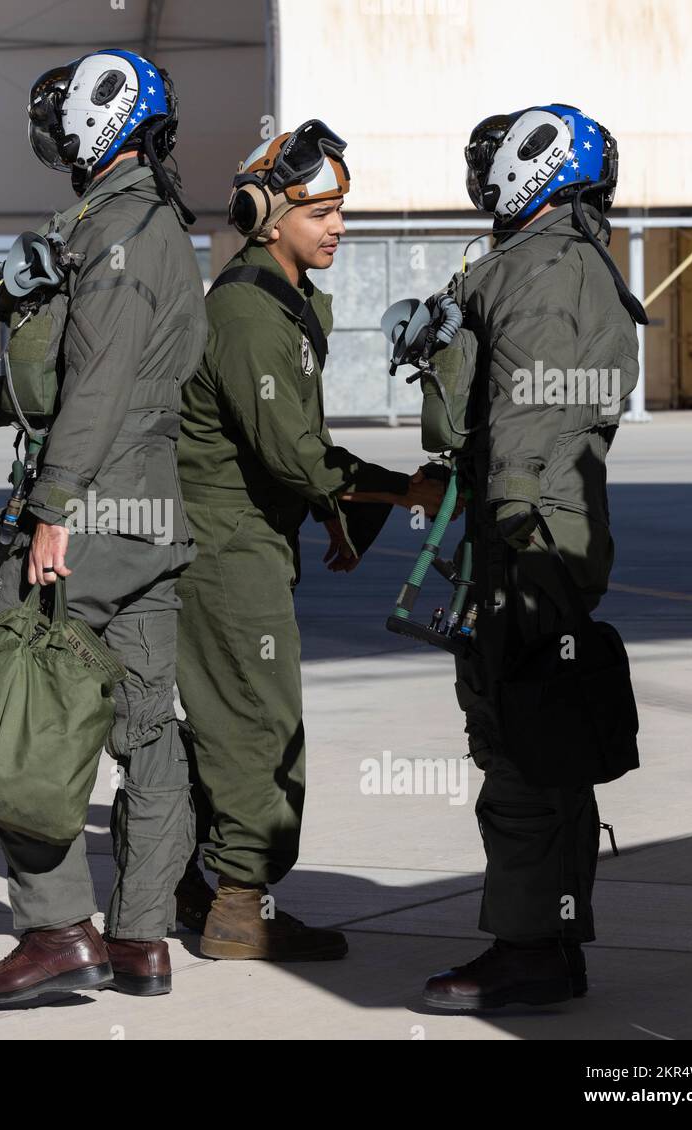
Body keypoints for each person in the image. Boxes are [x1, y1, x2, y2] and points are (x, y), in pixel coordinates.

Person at [0, 50, 207, 1006]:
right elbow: (90, 381)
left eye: (64, 116)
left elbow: (92, 386)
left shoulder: (118, 231)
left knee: (15, 702)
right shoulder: (156, 225)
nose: (52, 134)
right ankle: (142, 939)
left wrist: (52, 508)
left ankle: (58, 930)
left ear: (105, 119)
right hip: (146, 515)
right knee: (146, 730)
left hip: (89, 513)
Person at [173, 122, 446, 959]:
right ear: (267, 213)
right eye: (320, 210)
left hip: (244, 543)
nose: (336, 225)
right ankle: (237, 904)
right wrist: (398, 489)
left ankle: (204, 882)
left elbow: (291, 445)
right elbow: (297, 454)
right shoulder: (250, 313)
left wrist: (339, 513)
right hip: (227, 555)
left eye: (340, 208)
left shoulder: (276, 303)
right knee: (261, 728)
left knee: (233, 724)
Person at [420, 104, 642, 1009]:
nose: (482, 179)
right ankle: (548, 939)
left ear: (535, 166)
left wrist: (506, 534)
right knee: (541, 740)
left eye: (492, 162)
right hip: (539, 529)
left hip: (530, 539)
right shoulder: (556, 258)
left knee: (522, 746)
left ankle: (530, 951)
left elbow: (526, 410)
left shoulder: (547, 267)